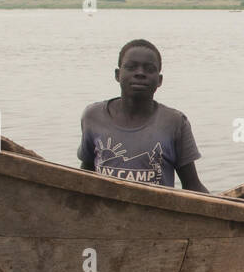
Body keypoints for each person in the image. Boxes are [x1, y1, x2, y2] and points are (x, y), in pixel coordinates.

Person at [78, 39, 209, 192]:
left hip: (156, 214)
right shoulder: (93, 116)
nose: (140, 73)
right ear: (117, 75)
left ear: (159, 80)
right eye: (131, 67)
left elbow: (192, 185)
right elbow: (84, 176)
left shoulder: (174, 123)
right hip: (104, 213)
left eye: (149, 69)